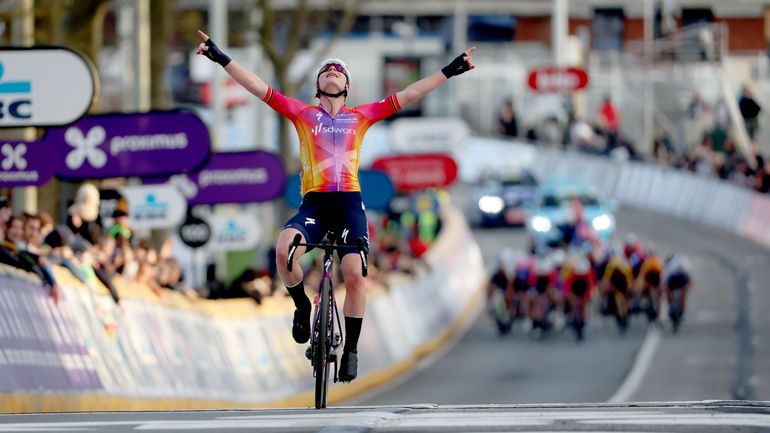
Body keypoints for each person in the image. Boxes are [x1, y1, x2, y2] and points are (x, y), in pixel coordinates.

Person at [196, 30, 476, 382]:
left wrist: (450, 70)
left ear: (346, 86)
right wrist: (220, 57)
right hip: (314, 205)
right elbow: (257, 87)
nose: (332, 70)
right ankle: (300, 305)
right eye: (326, 69)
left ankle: (352, 350)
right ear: (317, 85)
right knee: (284, 252)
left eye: (338, 70)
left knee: (355, 276)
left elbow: (410, 93)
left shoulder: (361, 116)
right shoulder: (302, 113)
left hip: (348, 206)